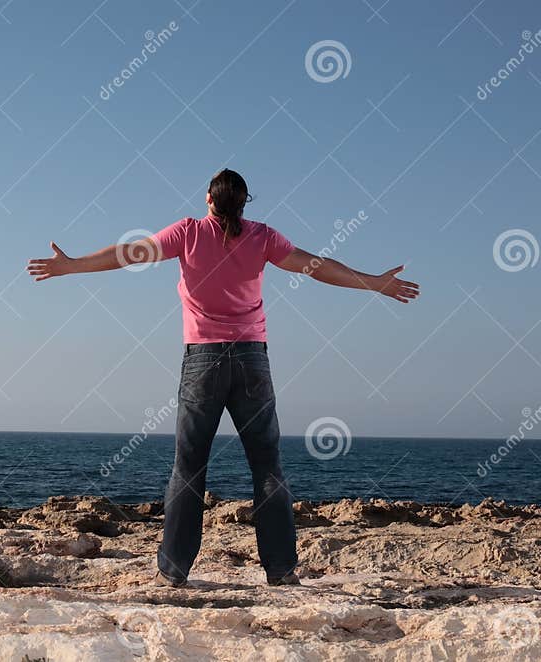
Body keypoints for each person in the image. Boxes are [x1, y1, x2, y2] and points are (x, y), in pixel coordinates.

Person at [26, 168, 420, 587]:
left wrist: (71, 266)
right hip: (252, 361)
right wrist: (374, 283)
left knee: (189, 467)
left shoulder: (188, 232)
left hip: (202, 362)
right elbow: (316, 267)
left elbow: (128, 253)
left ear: (209, 200)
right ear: (245, 203)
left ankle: (174, 571)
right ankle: (282, 571)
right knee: (267, 468)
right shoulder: (263, 237)